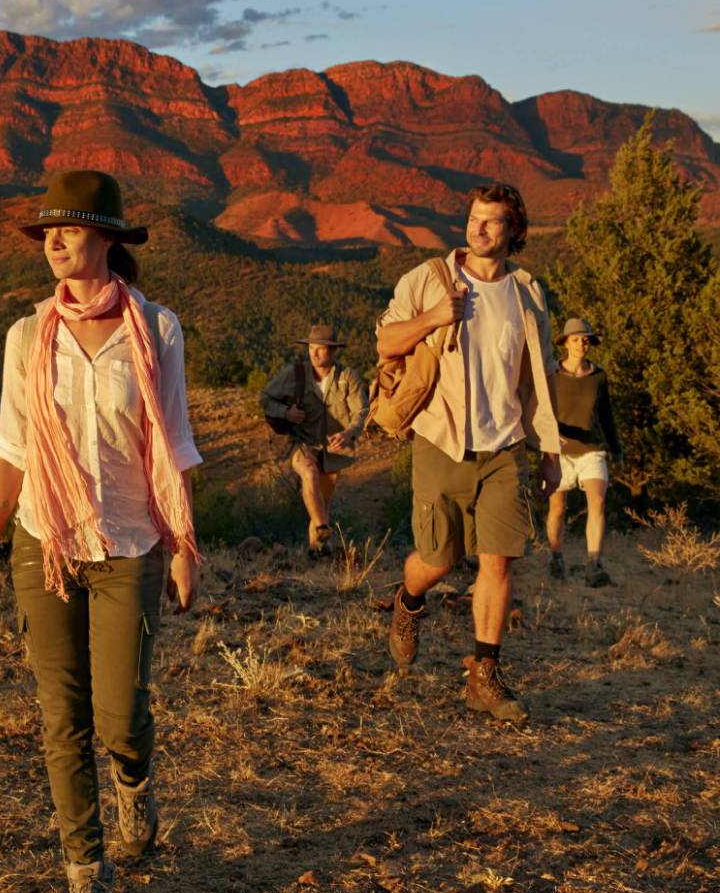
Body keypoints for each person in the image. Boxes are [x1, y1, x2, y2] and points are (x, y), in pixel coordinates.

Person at [0, 170, 202, 893]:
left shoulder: (157, 329)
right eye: (46, 235)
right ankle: (84, 874)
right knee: (61, 719)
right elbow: (12, 451)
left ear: (107, 239)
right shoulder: (27, 336)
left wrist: (182, 543)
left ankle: (134, 779)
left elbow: (172, 443)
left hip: (130, 540)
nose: (54, 243)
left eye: (68, 231)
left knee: (118, 714)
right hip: (46, 540)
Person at [375, 182, 561, 722]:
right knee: (440, 558)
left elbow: (540, 378)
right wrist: (434, 317)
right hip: (443, 439)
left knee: (499, 560)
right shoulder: (429, 279)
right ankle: (408, 601)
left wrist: (548, 449)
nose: (478, 228)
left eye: (492, 220)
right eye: (474, 218)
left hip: (505, 445)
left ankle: (483, 676)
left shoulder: (527, 291)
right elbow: (386, 344)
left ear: (514, 231)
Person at [260, 325, 366, 556]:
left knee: (321, 504)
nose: (314, 353)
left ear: (333, 351)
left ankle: (316, 552)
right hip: (302, 443)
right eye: (311, 348)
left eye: (320, 349)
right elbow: (266, 399)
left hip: (334, 451)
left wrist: (348, 433)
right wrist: (286, 412)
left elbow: (361, 411)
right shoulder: (295, 374)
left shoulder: (348, 378)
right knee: (309, 472)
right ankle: (323, 531)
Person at [545, 317, 622, 587]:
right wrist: (547, 438)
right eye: (576, 339)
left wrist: (616, 448)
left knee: (597, 502)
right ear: (565, 342)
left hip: (592, 450)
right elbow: (539, 411)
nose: (582, 344)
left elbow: (606, 414)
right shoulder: (551, 374)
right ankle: (555, 557)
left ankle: (594, 563)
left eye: (586, 340)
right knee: (557, 508)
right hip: (560, 452)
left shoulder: (598, 376)